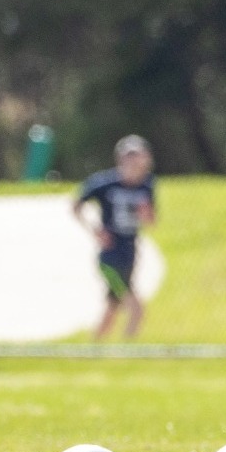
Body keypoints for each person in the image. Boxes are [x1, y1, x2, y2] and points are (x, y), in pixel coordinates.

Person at [74, 135, 157, 340]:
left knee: (112, 307)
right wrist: (94, 230)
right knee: (136, 309)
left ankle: (95, 348)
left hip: (130, 253)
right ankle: (130, 354)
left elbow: (152, 221)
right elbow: (76, 205)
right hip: (109, 257)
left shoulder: (146, 186)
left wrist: (146, 213)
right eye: (130, 157)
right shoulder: (105, 184)